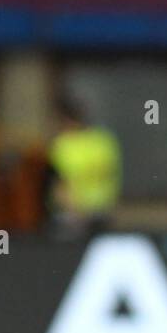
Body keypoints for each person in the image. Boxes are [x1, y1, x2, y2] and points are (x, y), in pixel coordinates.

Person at [44, 93, 120, 240]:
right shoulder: (104, 141)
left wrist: (75, 211)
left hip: (73, 218)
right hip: (101, 212)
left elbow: (59, 184)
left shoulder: (62, 145)